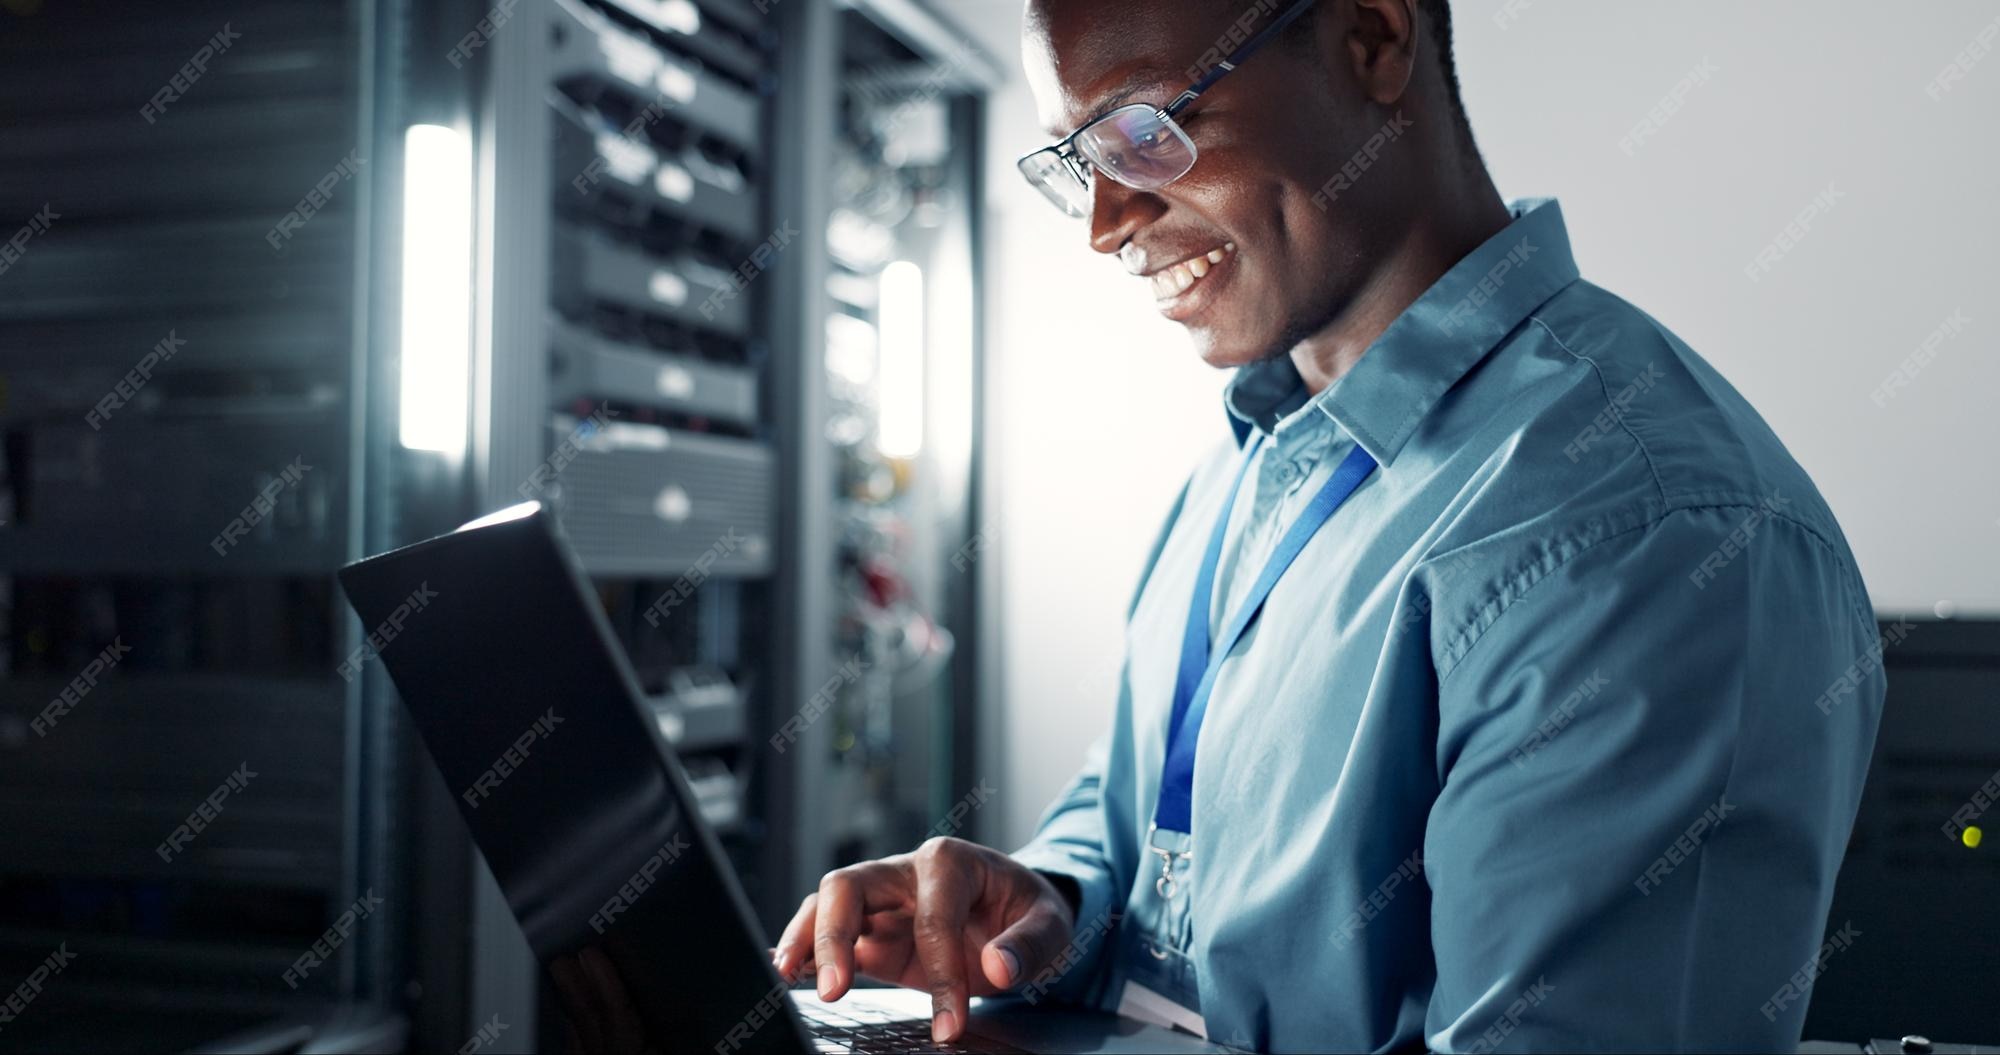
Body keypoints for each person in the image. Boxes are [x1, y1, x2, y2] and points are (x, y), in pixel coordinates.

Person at [774, 0, 1887, 1049]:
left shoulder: (1640, 534)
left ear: (1369, 37)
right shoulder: (1254, 452)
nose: (1106, 224)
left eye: (1145, 127)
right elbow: (1142, 825)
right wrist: (1054, 904)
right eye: (1079, 160)